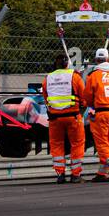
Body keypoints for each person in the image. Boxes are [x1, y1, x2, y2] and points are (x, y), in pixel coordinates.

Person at [43, 53, 86, 184]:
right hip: (73, 116)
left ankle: (60, 174)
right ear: (67, 64)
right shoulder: (75, 77)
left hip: (55, 118)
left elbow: (46, 98)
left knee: (56, 145)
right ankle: (75, 175)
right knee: (77, 143)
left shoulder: (48, 78)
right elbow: (83, 97)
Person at [85, 47, 109, 182]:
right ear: (108, 59)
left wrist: (91, 106)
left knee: (102, 144)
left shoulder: (93, 75)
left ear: (96, 60)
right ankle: (102, 173)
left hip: (102, 113)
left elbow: (88, 96)